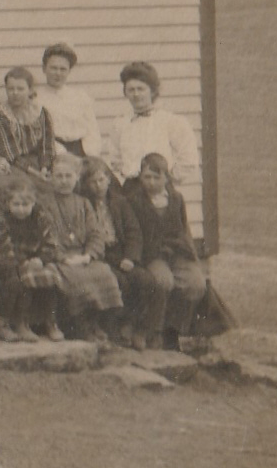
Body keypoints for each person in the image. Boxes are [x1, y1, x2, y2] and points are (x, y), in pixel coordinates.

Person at [113, 152, 209, 351]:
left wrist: (191, 255)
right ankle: (154, 330)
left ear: (167, 177)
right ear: (140, 177)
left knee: (195, 284)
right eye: (147, 177)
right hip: (152, 254)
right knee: (164, 282)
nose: (151, 182)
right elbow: (134, 235)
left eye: (157, 177)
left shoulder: (176, 199)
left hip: (177, 252)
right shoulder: (134, 201)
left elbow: (184, 230)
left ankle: (173, 331)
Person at [43, 151, 124, 343]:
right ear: (51, 178)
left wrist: (88, 255)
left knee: (104, 273)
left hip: (83, 256)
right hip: (60, 257)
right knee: (76, 278)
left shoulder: (84, 203)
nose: (64, 181)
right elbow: (46, 237)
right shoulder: (44, 204)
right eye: (59, 176)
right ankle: (81, 328)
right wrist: (63, 257)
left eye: (68, 176)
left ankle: (96, 323)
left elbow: (95, 234)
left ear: (77, 178)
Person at [0, 175, 64, 342]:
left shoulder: (41, 217)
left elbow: (51, 243)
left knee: (51, 275)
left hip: (37, 259)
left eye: (25, 205)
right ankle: (16, 323)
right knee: (17, 280)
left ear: (33, 203)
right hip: (11, 261)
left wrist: (41, 259)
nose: (21, 209)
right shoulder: (2, 219)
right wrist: (23, 262)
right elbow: (3, 247)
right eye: (16, 204)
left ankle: (50, 321)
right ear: (8, 203)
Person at [113, 60, 202, 189]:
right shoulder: (120, 124)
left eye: (141, 89)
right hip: (131, 192)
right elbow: (115, 160)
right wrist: (127, 173)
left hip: (161, 190)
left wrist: (165, 179)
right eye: (131, 90)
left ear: (153, 91)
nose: (136, 94)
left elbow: (188, 159)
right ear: (125, 93)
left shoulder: (171, 122)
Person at [0, 66, 58, 186]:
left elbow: (47, 145)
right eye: (11, 89)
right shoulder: (0, 115)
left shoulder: (40, 111)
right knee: (26, 185)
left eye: (20, 89)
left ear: (30, 90)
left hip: (40, 161)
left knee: (58, 181)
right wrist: (35, 173)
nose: (15, 93)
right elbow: (10, 153)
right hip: (16, 164)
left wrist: (44, 168)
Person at [38, 43, 104, 159]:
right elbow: (39, 134)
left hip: (81, 150)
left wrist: (91, 154)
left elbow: (92, 130)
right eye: (53, 68)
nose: (58, 73)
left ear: (69, 71)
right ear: (44, 69)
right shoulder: (36, 98)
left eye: (63, 69)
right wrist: (61, 154)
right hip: (52, 151)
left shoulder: (80, 96)